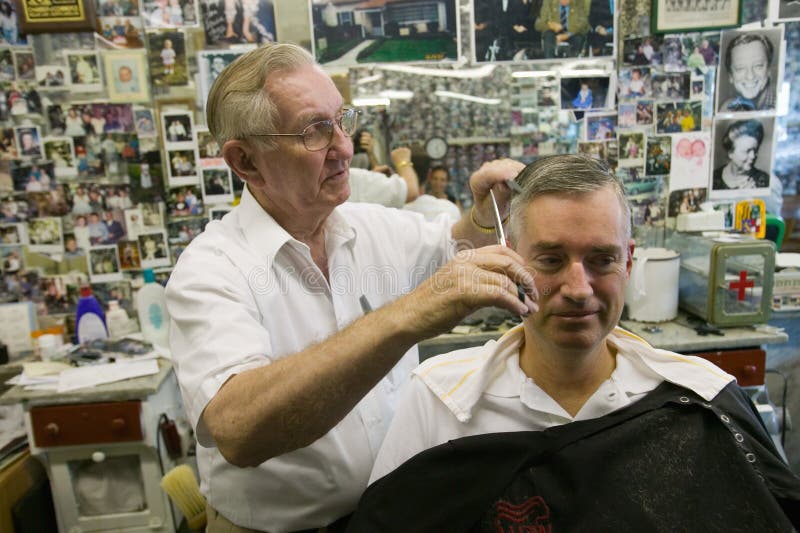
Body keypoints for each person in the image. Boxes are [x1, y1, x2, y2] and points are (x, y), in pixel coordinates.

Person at [164, 42, 536, 533]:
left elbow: (456, 249)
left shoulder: (372, 226)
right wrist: (408, 315)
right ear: (246, 161)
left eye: (342, 120)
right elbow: (238, 430)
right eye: (315, 131)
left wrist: (485, 217)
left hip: (393, 518)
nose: (343, 147)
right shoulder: (212, 268)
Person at [352, 154, 800, 531]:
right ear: (510, 259)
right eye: (551, 260)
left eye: (602, 260)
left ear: (628, 261)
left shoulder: (701, 400)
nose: (579, 288)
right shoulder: (440, 402)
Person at [719, 32, 775, 112]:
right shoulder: (728, 108)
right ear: (731, 75)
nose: (750, 76)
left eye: (758, 65)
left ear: (768, 69)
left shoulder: (780, 105)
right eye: (740, 68)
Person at [713, 119, 770, 190]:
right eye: (747, 151)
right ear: (730, 153)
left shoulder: (765, 181)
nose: (753, 156)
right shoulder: (714, 177)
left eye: (755, 150)